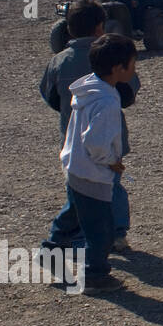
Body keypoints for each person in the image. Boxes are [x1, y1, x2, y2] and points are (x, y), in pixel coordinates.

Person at [41, 33, 138, 294]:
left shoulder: (87, 87)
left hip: (74, 166)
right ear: (118, 69)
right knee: (100, 230)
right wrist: (112, 161)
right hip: (93, 173)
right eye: (132, 64)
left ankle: (51, 252)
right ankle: (94, 275)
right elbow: (96, 142)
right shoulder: (107, 100)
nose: (134, 69)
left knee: (72, 213)